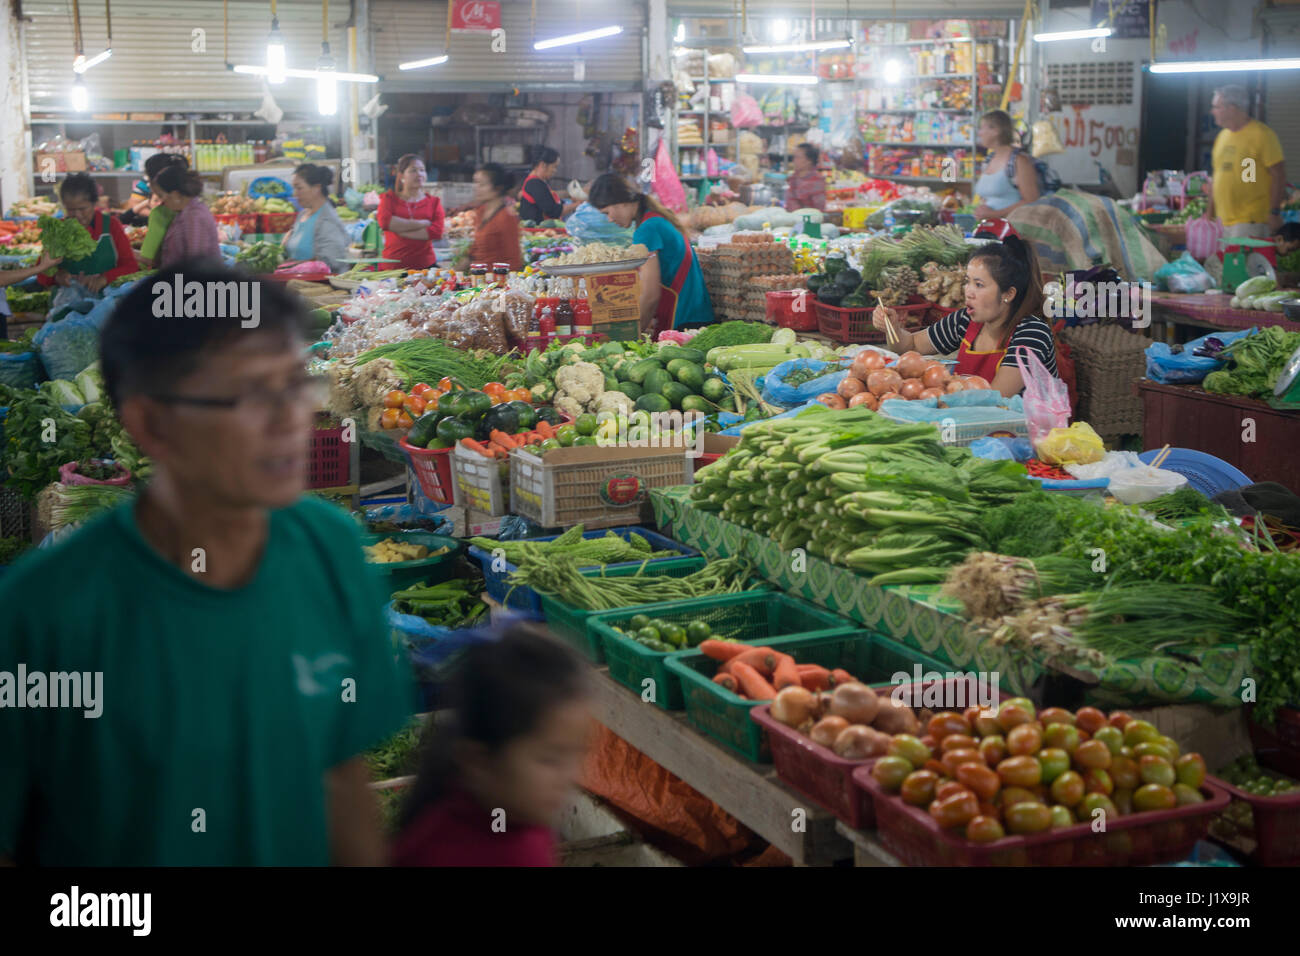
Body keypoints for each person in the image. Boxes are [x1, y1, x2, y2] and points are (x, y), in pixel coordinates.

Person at [0, 260, 409, 865]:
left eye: (295, 383)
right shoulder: (44, 614)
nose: (289, 419)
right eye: (247, 394)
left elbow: (339, 776)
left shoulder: (328, 547)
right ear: (150, 421)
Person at [393, 624, 589, 867]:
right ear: (478, 761)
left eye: (576, 753)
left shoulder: (514, 819)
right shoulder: (466, 852)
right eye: (549, 758)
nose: (569, 776)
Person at [872, 234, 1057, 398]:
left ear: (1008, 294)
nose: (968, 292)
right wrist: (893, 328)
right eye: (968, 282)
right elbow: (910, 346)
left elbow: (996, 398)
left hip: (1025, 431)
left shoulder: (1032, 333)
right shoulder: (965, 320)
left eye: (979, 285)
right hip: (972, 422)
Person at [588, 173, 715, 334]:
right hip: (697, 317)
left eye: (606, 212)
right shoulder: (657, 219)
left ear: (621, 202)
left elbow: (650, 295)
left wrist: (631, 335)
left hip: (685, 322)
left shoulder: (647, 230)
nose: (610, 220)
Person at [36, 172, 140, 294]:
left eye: (82, 209)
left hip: (107, 300)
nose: (77, 215)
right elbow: (41, 273)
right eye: (71, 210)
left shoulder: (111, 226)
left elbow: (130, 266)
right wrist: (57, 276)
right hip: (67, 302)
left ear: (94, 204)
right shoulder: (58, 230)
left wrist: (105, 278)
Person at [1206, 84, 1286, 238]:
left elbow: (1279, 174)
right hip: (1223, 222)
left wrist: (1274, 211)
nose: (1212, 111)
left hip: (1250, 222)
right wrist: (1210, 214)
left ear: (1232, 109)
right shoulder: (1222, 137)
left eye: (1216, 107)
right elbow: (1216, 179)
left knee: (1244, 262)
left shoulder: (1261, 135)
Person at [376, 154, 445, 271]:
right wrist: (423, 223)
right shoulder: (389, 199)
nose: (419, 174)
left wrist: (400, 230)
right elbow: (385, 222)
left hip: (425, 268)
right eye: (413, 170)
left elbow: (437, 232)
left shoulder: (434, 202)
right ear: (402, 176)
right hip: (393, 268)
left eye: (422, 170)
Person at [973, 110, 1041, 221]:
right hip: (992, 230)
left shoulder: (1019, 161)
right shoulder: (988, 161)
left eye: (981, 128)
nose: (979, 133)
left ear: (995, 131)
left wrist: (994, 214)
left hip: (1015, 231)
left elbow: (1032, 200)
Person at [282, 163, 350, 272]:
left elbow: (332, 261)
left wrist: (292, 267)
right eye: (294, 188)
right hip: (297, 283)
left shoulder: (327, 221)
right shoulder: (302, 215)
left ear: (316, 188)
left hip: (319, 286)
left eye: (299, 188)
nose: (295, 194)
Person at [154, 165, 220, 268]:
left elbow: (197, 265)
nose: (162, 202)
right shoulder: (185, 213)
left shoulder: (194, 217)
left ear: (175, 195)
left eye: (161, 196)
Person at [464, 163, 523, 272]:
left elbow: (514, 262)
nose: (476, 188)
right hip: (479, 279)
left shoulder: (506, 217)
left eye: (481, 184)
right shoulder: (480, 211)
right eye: (475, 182)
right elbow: (473, 252)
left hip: (495, 284)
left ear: (497, 188)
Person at [137, 153, 189, 270]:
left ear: (156, 182)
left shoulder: (160, 213)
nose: (148, 185)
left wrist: (124, 251)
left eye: (148, 179)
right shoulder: (196, 208)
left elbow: (148, 259)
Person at [517, 146, 577, 223]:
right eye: (554, 167)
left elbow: (549, 203)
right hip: (537, 231)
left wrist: (571, 202)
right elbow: (554, 212)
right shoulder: (535, 183)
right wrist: (577, 204)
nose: (555, 171)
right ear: (543, 165)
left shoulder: (537, 181)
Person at [784, 143, 827, 213]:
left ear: (809, 161)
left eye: (798, 157)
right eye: (794, 157)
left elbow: (819, 210)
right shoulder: (793, 178)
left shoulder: (817, 181)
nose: (794, 161)